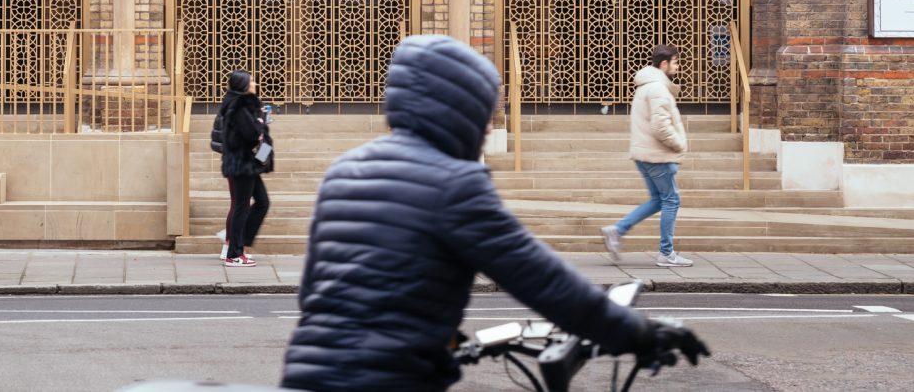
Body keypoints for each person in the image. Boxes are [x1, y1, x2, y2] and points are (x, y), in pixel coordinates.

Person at [281, 35, 706, 392]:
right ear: (457, 111)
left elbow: (322, 289)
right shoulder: (451, 182)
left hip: (305, 374)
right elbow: (541, 280)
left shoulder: (347, 169)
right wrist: (640, 332)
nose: (487, 127)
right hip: (387, 380)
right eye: (483, 113)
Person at [601, 43, 693, 267]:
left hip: (644, 154)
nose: (678, 67)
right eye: (675, 62)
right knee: (671, 200)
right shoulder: (658, 88)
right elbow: (660, 126)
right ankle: (666, 253)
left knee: (657, 200)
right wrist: (679, 144)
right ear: (664, 64)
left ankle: (617, 230)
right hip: (657, 156)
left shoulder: (646, 86)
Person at [216, 69, 272, 267]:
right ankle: (233, 253)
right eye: (253, 81)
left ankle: (242, 246)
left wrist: (260, 121)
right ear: (244, 85)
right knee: (241, 206)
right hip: (242, 164)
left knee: (263, 202)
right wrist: (260, 122)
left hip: (250, 164)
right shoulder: (239, 107)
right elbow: (250, 135)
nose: (256, 84)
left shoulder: (246, 106)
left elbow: (260, 137)